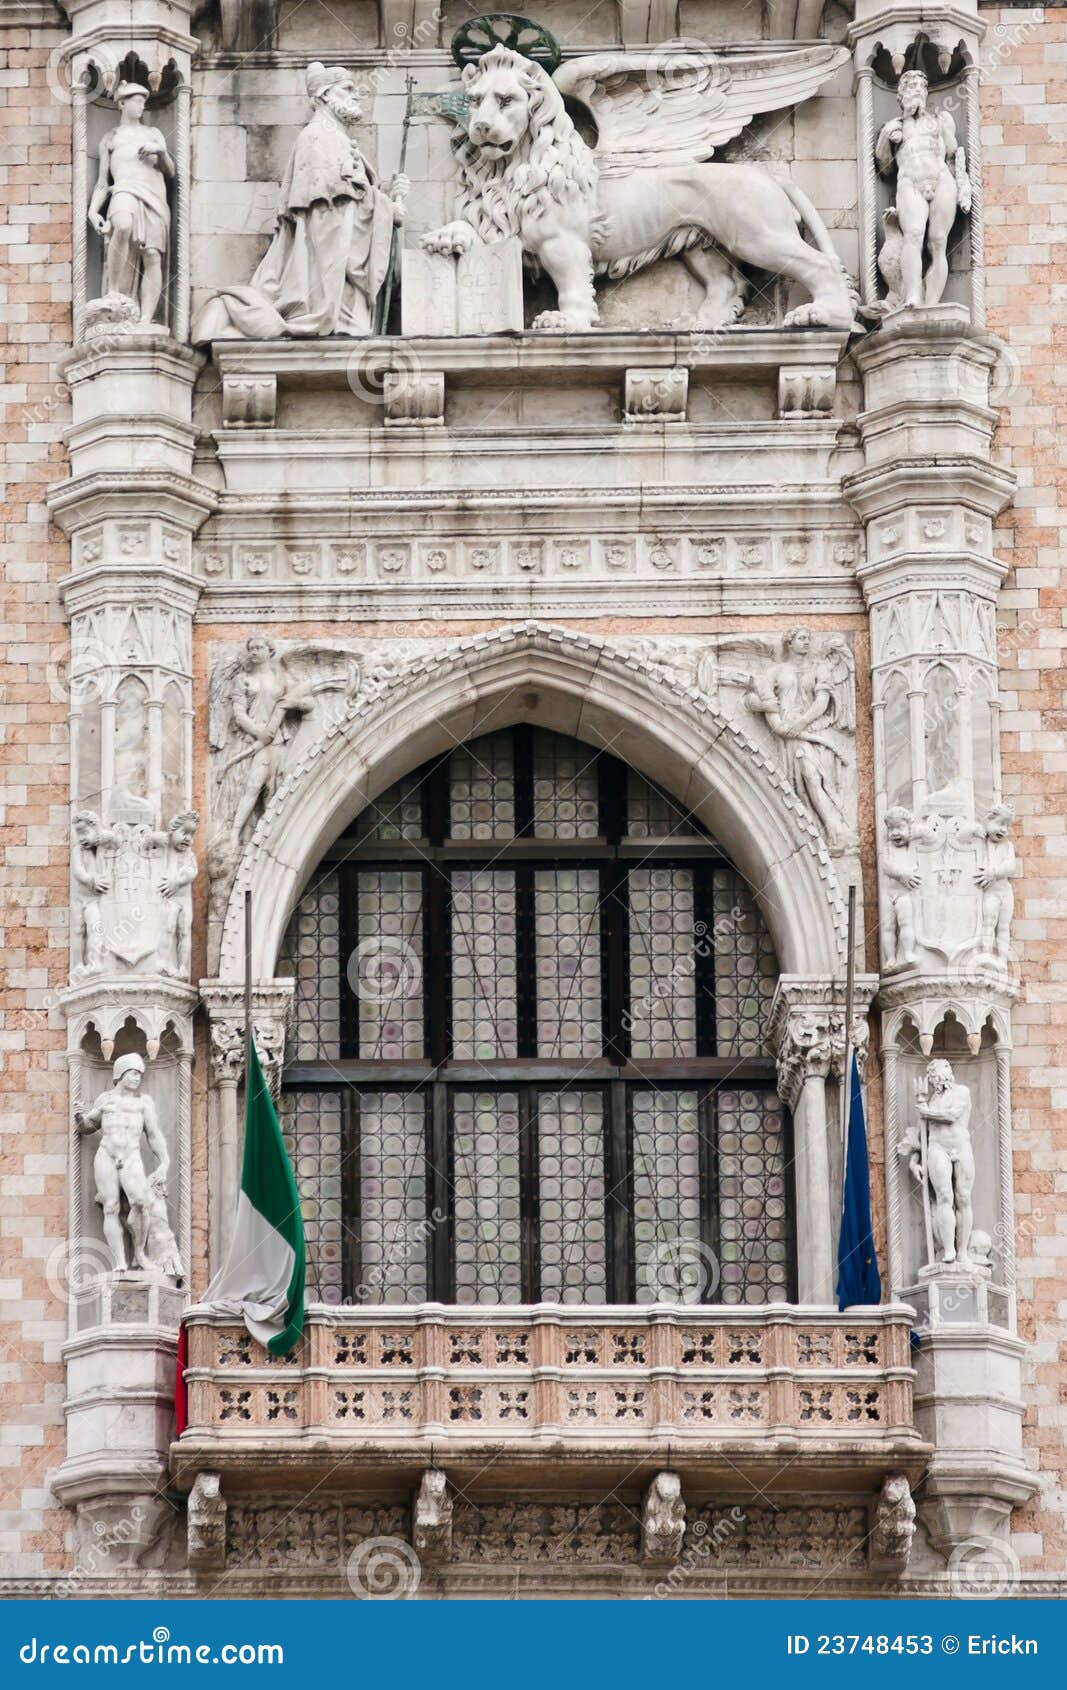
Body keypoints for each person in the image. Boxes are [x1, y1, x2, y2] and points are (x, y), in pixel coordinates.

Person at [193, 62, 408, 339]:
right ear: (324, 96)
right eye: (348, 89)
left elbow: (348, 201)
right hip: (327, 272)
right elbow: (328, 216)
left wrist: (386, 196)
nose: (357, 95)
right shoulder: (316, 138)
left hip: (338, 268)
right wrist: (387, 210)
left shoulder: (337, 138)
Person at [75, 1054, 178, 1276]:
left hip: (131, 1156)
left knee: (140, 1203)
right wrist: (78, 1117)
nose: (137, 1078)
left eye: (140, 1074)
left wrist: (164, 1162)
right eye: (133, 1073)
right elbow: (87, 1126)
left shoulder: (143, 1103)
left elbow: (154, 1135)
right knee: (111, 1207)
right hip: (106, 1155)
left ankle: (139, 1254)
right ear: (121, 1074)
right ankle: (120, 1261)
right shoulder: (106, 1100)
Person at [875, 69, 970, 310]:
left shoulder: (941, 119)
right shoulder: (893, 127)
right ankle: (913, 295)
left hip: (941, 180)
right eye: (911, 86)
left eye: (920, 86)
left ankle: (932, 303)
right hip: (910, 183)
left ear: (926, 93)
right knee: (913, 236)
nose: (916, 89)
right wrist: (888, 138)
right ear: (901, 95)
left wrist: (964, 186)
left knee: (938, 242)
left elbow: (952, 153)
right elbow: (884, 168)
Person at [87, 82, 174, 326]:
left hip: (154, 196)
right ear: (122, 103)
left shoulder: (153, 133)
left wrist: (161, 151)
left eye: (143, 101)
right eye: (136, 101)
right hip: (123, 190)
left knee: (152, 254)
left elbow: (170, 171)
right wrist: (93, 211)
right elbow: (103, 182)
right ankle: (114, 294)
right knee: (122, 226)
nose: (141, 106)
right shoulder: (110, 138)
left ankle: (146, 318)